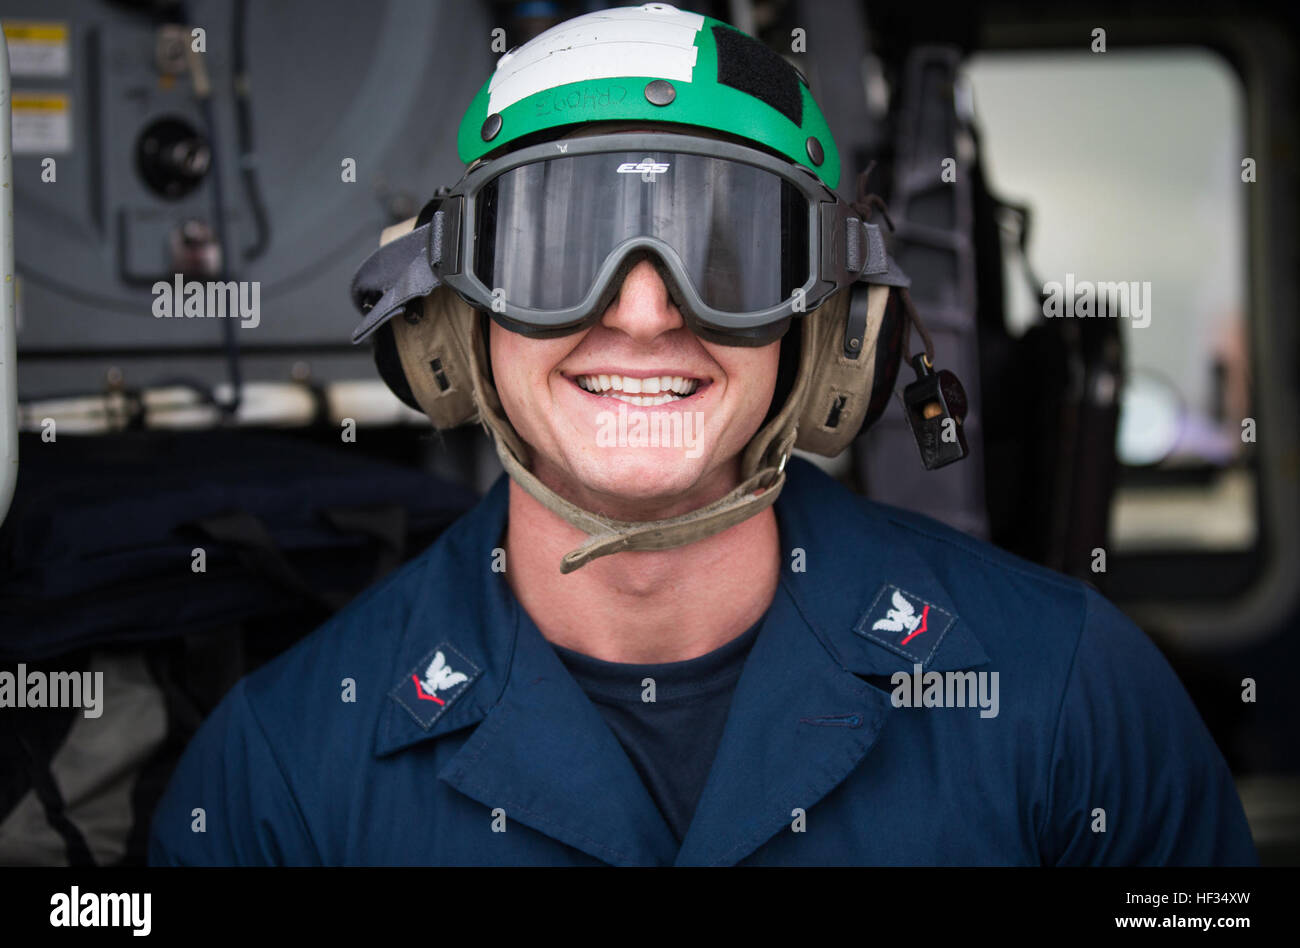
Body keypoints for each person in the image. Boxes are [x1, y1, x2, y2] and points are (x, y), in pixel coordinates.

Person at [149, 3, 1257, 866]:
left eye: (723, 250)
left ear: (831, 328)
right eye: (557, 249)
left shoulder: (1065, 688)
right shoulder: (282, 768)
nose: (641, 311)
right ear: (448, 321)